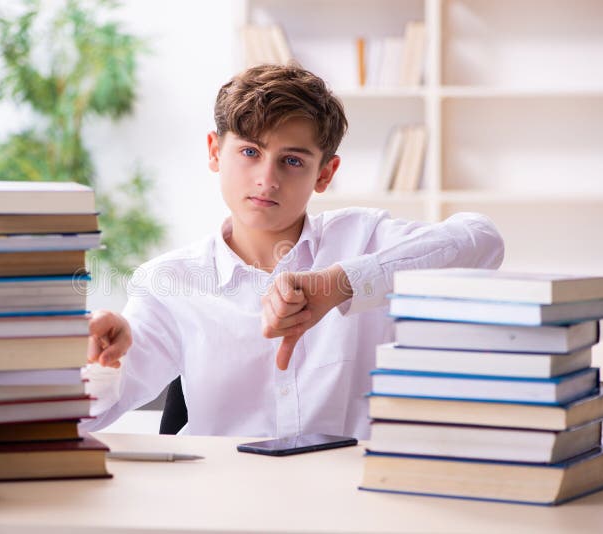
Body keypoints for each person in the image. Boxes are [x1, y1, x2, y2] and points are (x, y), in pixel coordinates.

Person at [82, 64, 503, 439]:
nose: (267, 179)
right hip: (225, 491)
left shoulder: (364, 238)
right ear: (214, 152)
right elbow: (89, 416)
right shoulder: (170, 282)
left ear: (325, 174)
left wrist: (340, 284)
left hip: (349, 491)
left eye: (293, 161)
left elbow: (483, 241)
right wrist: (95, 359)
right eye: (250, 152)